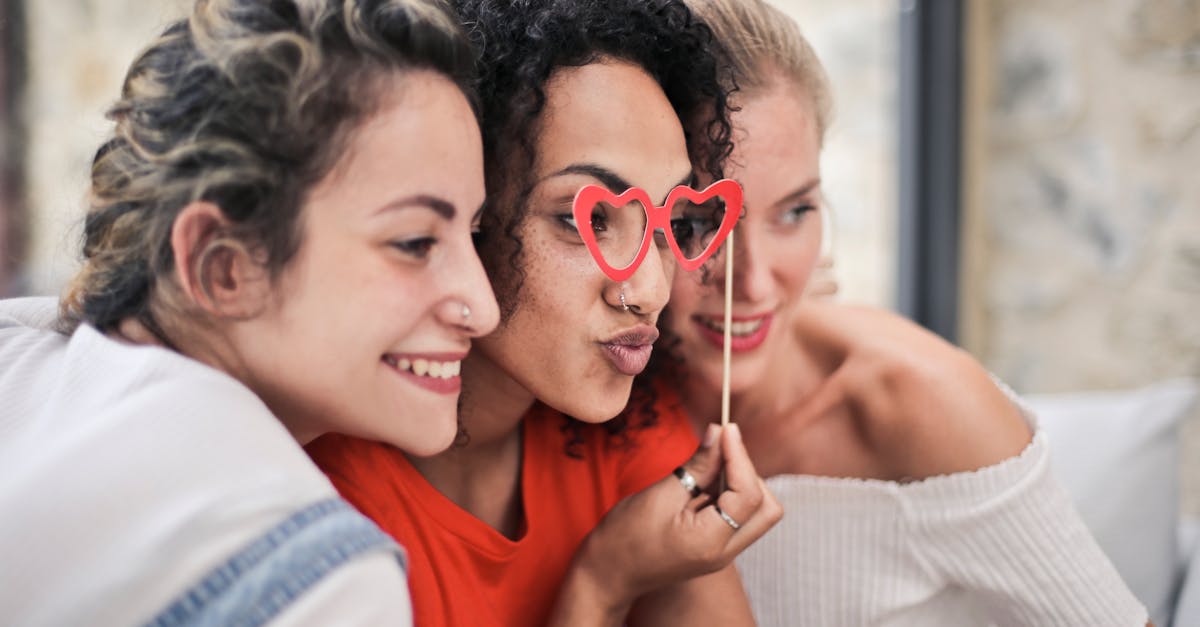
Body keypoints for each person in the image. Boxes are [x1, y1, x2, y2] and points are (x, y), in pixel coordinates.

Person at [0, 0, 500, 624]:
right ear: (223, 266)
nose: (482, 309)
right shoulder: (318, 579)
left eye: (473, 235)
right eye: (415, 243)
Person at [658, 0, 1150, 625]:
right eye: (698, 221)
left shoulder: (925, 404)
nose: (753, 281)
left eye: (795, 211)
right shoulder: (602, 403)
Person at [305, 1, 782, 625]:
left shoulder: (631, 431)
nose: (649, 291)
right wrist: (602, 584)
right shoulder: (324, 506)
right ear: (465, 211)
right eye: (585, 220)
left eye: (671, 221)